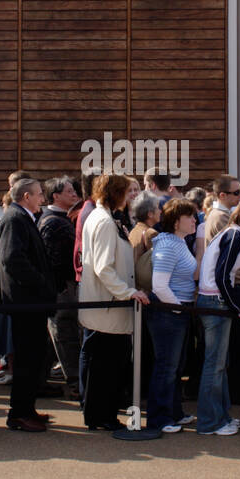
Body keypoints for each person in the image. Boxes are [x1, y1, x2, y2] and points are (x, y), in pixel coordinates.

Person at [78, 174, 147, 432]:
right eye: (126, 191)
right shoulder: (105, 221)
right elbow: (103, 268)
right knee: (104, 368)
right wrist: (127, 292)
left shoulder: (107, 218)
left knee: (106, 366)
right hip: (107, 307)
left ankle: (102, 415)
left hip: (110, 306)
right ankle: (100, 417)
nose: (130, 196)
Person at [195, 200, 240, 435]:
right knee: (215, 365)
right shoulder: (237, 235)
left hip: (215, 299)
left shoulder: (234, 233)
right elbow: (223, 276)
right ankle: (210, 421)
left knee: (218, 365)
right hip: (216, 301)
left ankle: (219, 417)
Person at [0, 177, 57, 431]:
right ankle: (19, 413)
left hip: (30, 301)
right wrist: (41, 283)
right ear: (26, 197)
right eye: (39, 194)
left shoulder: (21, 218)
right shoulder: (15, 219)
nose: (42, 198)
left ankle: (27, 408)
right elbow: (14, 259)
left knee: (33, 357)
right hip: (25, 302)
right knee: (26, 358)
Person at [146, 197, 199, 434]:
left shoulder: (178, 242)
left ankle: (174, 412)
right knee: (167, 366)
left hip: (177, 310)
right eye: (190, 216)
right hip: (169, 313)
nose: (194, 220)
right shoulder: (168, 245)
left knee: (175, 366)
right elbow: (160, 285)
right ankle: (160, 417)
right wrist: (179, 307)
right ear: (176, 221)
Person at [38, 177, 81, 398]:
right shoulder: (52, 221)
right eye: (70, 191)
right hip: (61, 290)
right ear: (56, 195)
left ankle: (39, 380)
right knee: (65, 335)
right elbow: (52, 260)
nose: (75, 194)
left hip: (65, 288)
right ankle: (75, 383)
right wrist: (62, 286)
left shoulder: (63, 219)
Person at [204, 175, 240, 243]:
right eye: (237, 192)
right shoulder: (220, 217)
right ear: (223, 195)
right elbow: (234, 243)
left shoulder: (221, 213)